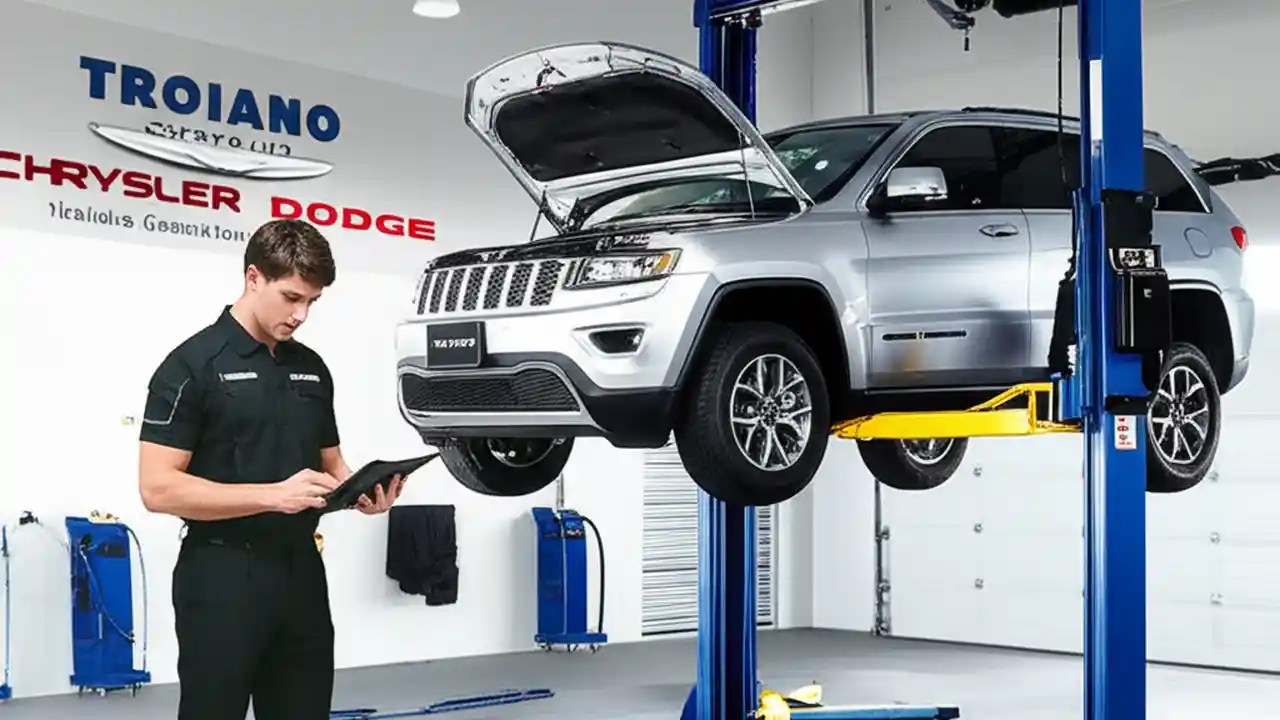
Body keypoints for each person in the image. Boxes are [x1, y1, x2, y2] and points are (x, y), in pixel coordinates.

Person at [136, 218, 406, 720]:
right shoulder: (191, 366)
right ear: (253, 278)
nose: (301, 314)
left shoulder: (312, 368)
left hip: (301, 570)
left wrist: (363, 492)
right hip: (220, 573)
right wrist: (271, 496)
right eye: (291, 297)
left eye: (312, 302)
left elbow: (331, 464)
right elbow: (157, 488)